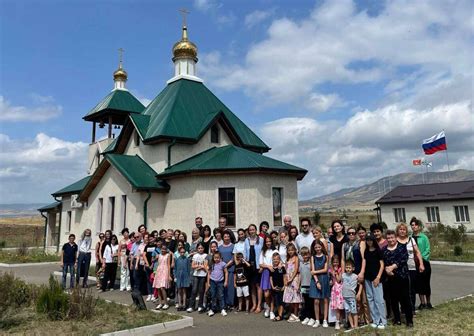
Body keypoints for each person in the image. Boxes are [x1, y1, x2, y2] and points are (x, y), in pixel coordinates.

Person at [382, 230, 413, 328]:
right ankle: (397, 319)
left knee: (406, 299)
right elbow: (383, 262)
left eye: (392, 237)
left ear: (395, 238)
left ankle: (409, 320)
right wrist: (387, 269)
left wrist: (392, 267)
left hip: (402, 277)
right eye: (388, 238)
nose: (390, 240)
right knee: (393, 300)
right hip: (390, 278)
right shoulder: (384, 250)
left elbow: (403, 259)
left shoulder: (401, 247)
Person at [396, 222, 424, 315]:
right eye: (400, 229)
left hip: (411, 267)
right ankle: (403, 309)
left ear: (406, 231)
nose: (402, 231)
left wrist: (421, 264)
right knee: (401, 289)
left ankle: (411, 308)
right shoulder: (395, 241)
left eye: (404, 229)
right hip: (400, 269)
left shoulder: (411, 240)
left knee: (411, 289)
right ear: (397, 231)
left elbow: (418, 252)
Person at [361, 233, 387, 330]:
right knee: (370, 299)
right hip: (368, 278)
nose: (369, 242)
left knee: (379, 300)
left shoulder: (378, 251)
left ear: (373, 240)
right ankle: (376, 320)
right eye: (367, 240)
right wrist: (362, 273)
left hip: (376, 278)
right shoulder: (366, 251)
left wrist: (378, 277)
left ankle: (383, 321)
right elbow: (364, 262)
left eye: (371, 240)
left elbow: (382, 265)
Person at [410, 217, 432, 310]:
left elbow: (428, 249)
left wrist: (421, 258)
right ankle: (422, 303)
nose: (414, 227)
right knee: (418, 283)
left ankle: (428, 302)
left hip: (424, 262)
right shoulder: (410, 238)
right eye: (412, 225)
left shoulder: (424, 237)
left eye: (415, 225)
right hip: (414, 263)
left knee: (426, 282)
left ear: (419, 226)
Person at [309, 239, 330, 328]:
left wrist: (315, 272)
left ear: (322, 247)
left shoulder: (326, 256)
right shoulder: (312, 257)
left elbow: (325, 270)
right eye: (316, 247)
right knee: (316, 301)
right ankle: (317, 320)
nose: (317, 249)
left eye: (319, 247)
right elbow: (312, 271)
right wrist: (317, 281)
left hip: (324, 279)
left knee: (325, 300)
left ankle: (325, 320)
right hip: (315, 280)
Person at [244, 224, 264, 313]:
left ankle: (259, 305)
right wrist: (246, 262)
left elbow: (263, 253)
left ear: (256, 230)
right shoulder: (246, 240)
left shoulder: (261, 240)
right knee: (252, 286)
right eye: (250, 230)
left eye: (253, 229)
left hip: (258, 266)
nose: (252, 231)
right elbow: (245, 253)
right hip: (249, 266)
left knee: (258, 286)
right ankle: (254, 304)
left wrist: (261, 265)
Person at [283, 243, 303, 322]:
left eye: (292, 250)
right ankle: (292, 313)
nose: (290, 252)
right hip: (288, 279)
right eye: (289, 250)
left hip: (294, 279)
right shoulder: (287, 259)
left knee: (296, 298)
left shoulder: (296, 258)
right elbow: (285, 270)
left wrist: (292, 278)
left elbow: (296, 269)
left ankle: (296, 314)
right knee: (290, 298)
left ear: (295, 250)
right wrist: (286, 279)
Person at [188, 243, 208, 313]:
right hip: (196, 274)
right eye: (199, 248)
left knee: (201, 290)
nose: (200, 249)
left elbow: (205, 266)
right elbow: (192, 266)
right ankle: (191, 306)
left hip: (203, 275)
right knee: (194, 290)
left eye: (201, 248)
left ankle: (200, 306)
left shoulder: (206, 255)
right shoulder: (195, 255)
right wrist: (198, 267)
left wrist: (202, 267)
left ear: (204, 249)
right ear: (197, 249)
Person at [207, 251, 228, 317]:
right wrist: (208, 282)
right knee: (213, 295)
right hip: (212, 281)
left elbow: (226, 272)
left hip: (220, 282)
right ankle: (212, 309)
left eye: (218, 258)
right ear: (213, 258)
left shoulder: (223, 264)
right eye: (215, 258)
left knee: (221, 295)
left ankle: (222, 309)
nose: (216, 259)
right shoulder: (211, 264)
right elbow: (209, 273)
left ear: (220, 257)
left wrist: (226, 281)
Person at [259, 235, 276, 318]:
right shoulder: (263, 251)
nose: (268, 243)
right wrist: (268, 266)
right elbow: (260, 264)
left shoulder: (275, 250)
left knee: (272, 293)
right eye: (267, 242)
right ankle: (268, 307)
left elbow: (278, 261)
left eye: (269, 241)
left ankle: (272, 311)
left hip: (273, 273)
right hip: (266, 273)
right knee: (266, 294)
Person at [343, 260, 362, 329]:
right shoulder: (343, 275)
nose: (348, 269)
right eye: (346, 267)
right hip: (345, 297)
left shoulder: (355, 276)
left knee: (354, 312)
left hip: (352, 297)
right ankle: (352, 325)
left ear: (353, 268)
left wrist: (359, 293)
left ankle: (356, 326)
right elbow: (338, 280)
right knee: (348, 312)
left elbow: (361, 285)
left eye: (349, 267)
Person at [299, 246, 316, 327]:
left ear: (309, 254)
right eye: (303, 255)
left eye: (306, 254)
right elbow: (300, 275)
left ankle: (312, 317)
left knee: (311, 302)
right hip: (303, 285)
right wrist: (299, 285)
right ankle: (307, 316)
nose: (305, 256)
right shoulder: (301, 263)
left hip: (311, 285)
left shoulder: (311, 263)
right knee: (305, 302)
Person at [219, 230, 235, 309]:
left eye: (228, 236)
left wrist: (226, 265)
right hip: (222, 270)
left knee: (230, 287)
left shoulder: (233, 246)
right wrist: (222, 266)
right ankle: (224, 302)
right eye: (225, 237)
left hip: (230, 269)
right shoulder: (220, 247)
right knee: (223, 287)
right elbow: (219, 258)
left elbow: (233, 258)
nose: (227, 238)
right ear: (223, 238)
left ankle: (230, 303)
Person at [154, 242, 172, 310]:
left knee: (162, 287)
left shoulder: (168, 255)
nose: (163, 250)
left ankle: (166, 303)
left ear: (166, 249)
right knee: (158, 288)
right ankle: (160, 303)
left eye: (164, 249)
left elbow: (168, 265)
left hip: (165, 271)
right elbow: (157, 263)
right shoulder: (159, 255)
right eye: (162, 249)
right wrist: (155, 271)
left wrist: (169, 275)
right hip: (159, 271)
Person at [270, 252, 286, 321]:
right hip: (275, 288)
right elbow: (270, 278)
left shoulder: (282, 268)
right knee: (277, 302)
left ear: (279, 260)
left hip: (281, 287)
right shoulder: (272, 269)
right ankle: (279, 313)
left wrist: (284, 286)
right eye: (274, 259)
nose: (275, 260)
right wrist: (272, 286)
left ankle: (280, 315)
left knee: (281, 301)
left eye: (277, 259)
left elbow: (284, 277)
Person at [329, 255, 344, 330]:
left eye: (337, 262)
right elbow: (331, 281)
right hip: (334, 289)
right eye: (334, 262)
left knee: (339, 307)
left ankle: (338, 321)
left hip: (339, 289)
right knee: (336, 306)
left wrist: (335, 273)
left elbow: (338, 280)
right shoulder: (330, 270)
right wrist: (331, 279)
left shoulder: (340, 269)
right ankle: (339, 320)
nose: (335, 264)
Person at [175, 246, 191, 311]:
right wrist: (175, 276)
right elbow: (175, 269)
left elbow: (189, 269)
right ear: (179, 252)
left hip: (185, 276)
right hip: (179, 276)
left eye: (183, 252)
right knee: (179, 291)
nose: (182, 253)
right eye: (181, 252)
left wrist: (189, 278)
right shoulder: (177, 259)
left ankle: (184, 304)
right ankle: (179, 304)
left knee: (184, 290)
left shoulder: (187, 259)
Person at [143, 233, 156, 301]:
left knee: (153, 280)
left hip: (154, 266)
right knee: (148, 280)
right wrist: (147, 264)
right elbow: (144, 255)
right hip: (148, 265)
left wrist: (152, 265)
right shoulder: (147, 246)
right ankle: (149, 294)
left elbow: (156, 256)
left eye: (151, 239)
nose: (150, 240)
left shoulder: (156, 246)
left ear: (154, 239)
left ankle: (154, 294)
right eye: (149, 239)